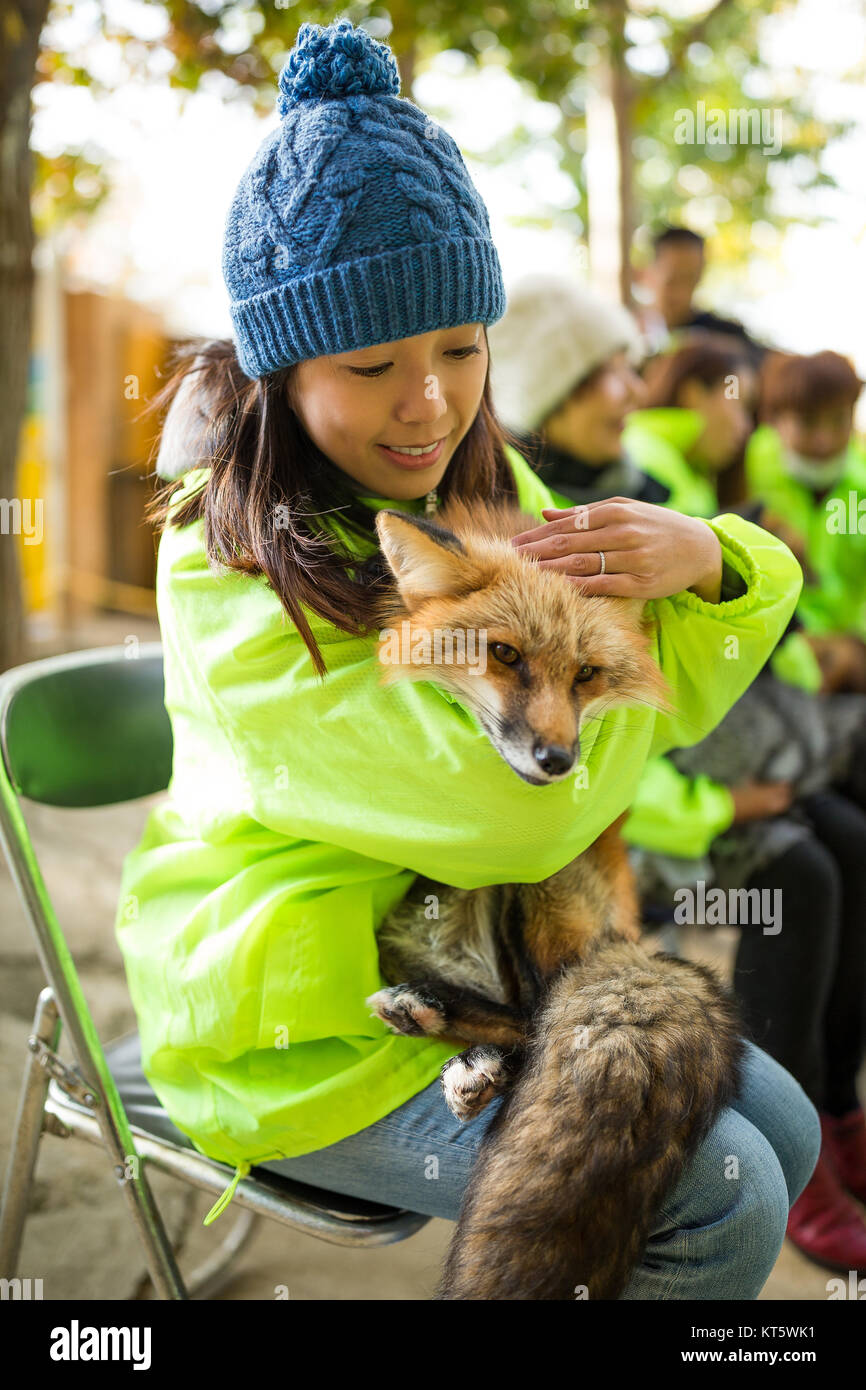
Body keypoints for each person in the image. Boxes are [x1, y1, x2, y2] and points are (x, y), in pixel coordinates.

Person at [115, 21, 819, 1299]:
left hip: (484, 959)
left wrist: (709, 566)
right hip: (305, 1018)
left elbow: (644, 697)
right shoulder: (234, 565)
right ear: (278, 375)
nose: (428, 402)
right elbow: (512, 801)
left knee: (788, 1128)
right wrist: (600, 707)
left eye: (458, 348)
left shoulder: (486, 483)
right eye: (374, 363)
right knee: (723, 1197)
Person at [495, 287, 866, 1274]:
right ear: (552, 390)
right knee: (794, 883)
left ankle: (828, 1111)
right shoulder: (555, 528)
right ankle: (806, 1155)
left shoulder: (624, 481)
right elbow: (593, 760)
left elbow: (698, 691)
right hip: (636, 856)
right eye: (608, 373)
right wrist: (721, 804)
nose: (635, 386)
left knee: (844, 843)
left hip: (682, 793)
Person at [746, 350, 866, 694]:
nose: (824, 440)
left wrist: (852, 645)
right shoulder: (746, 466)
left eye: (839, 420)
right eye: (808, 422)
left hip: (842, 660)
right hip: (761, 649)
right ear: (775, 419)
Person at [638, 226, 767, 371]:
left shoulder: (724, 334)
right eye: (672, 280)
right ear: (649, 273)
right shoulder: (629, 334)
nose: (682, 292)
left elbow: (760, 362)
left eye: (690, 280)